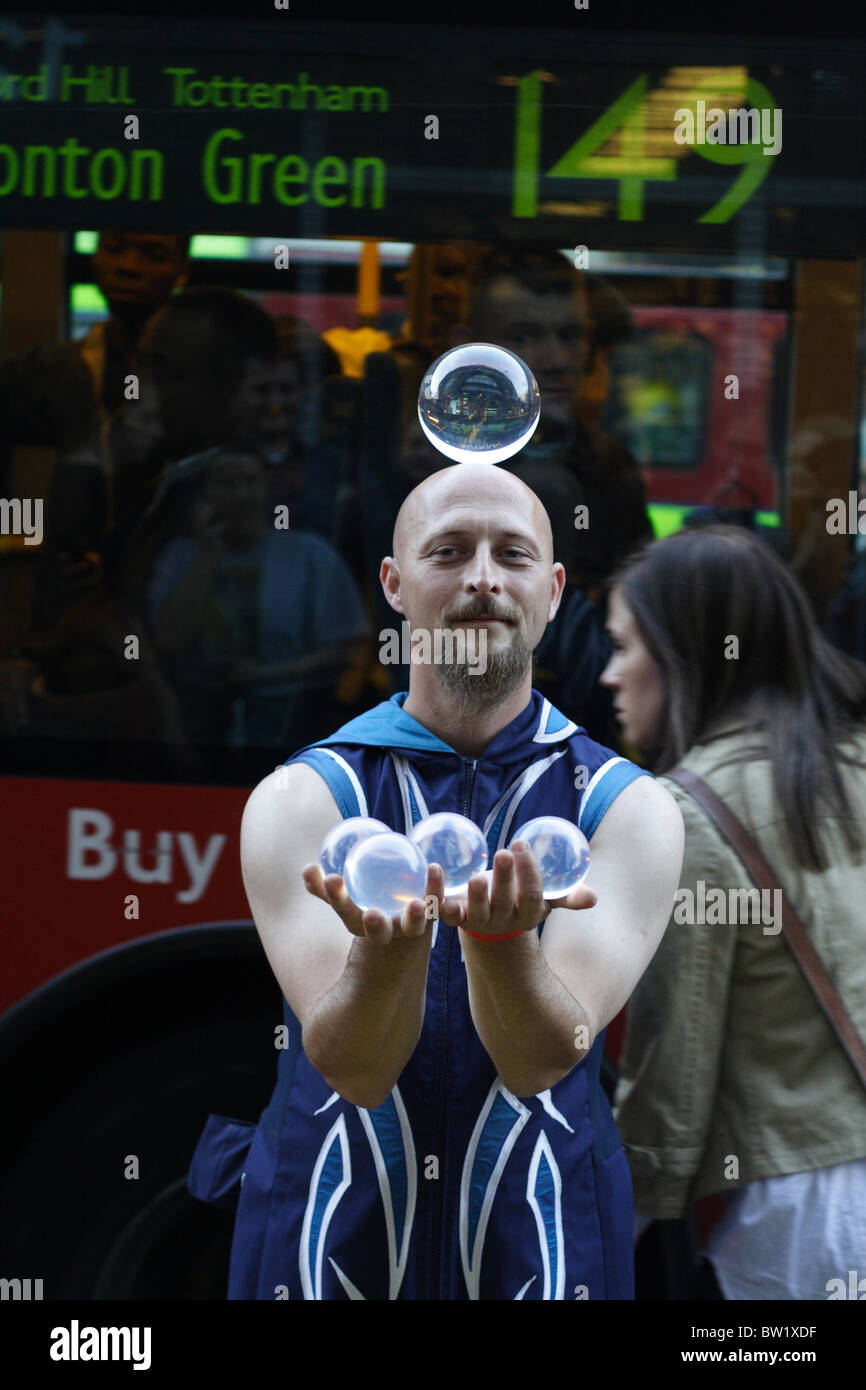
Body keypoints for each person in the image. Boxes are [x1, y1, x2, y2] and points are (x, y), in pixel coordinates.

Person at [187, 461, 684, 1300]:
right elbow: (354, 1069)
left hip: (543, 1247)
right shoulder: (302, 799)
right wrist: (387, 955)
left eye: (513, 555)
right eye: (448, 551)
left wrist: (497, 944)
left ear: (555, 591)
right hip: (329, 1244)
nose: (483, 577)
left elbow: (538, 1061)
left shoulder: (628, 809)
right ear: (394, 584)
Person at [604, 525, 866, 1300]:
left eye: (624, 646)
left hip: (803, 1229)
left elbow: (672, 1074)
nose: (608, 674)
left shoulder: (685, 814)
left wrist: (613, 1223)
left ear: (684, 654)